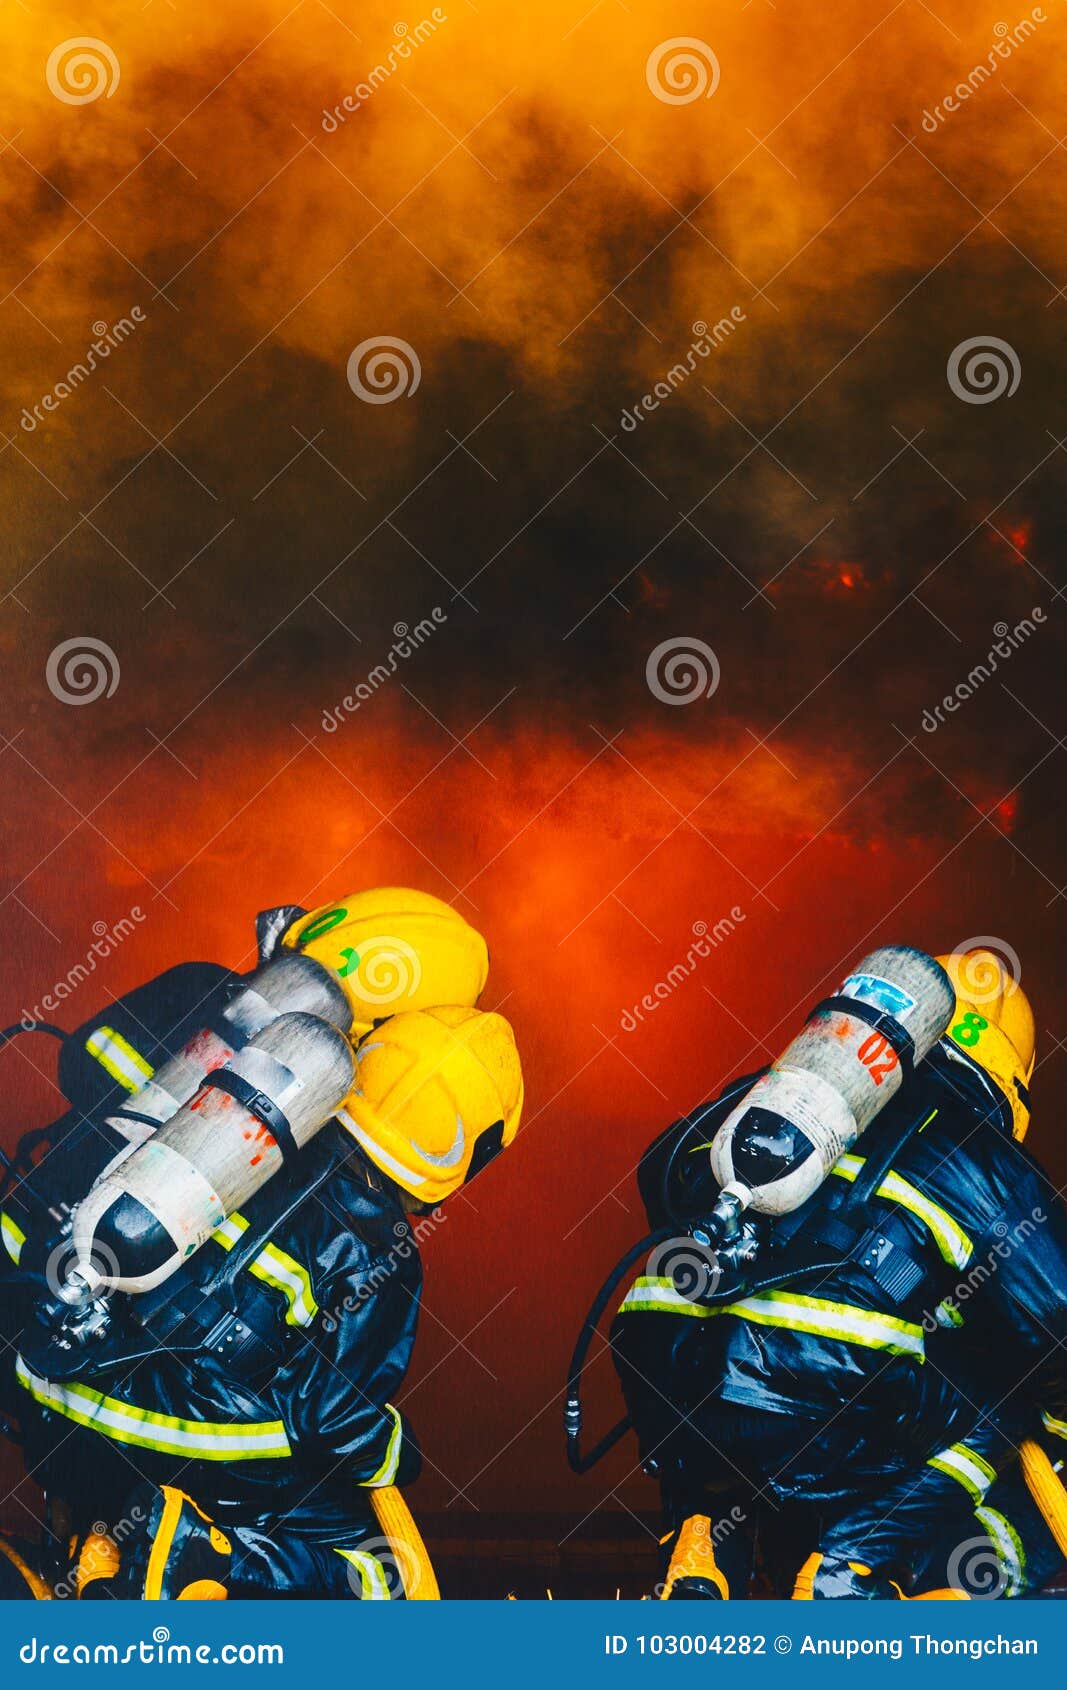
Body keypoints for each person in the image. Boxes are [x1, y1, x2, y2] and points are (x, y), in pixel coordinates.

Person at [0, 889, 523, 1600]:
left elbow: (83, 1066)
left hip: (38, 1356)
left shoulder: (252, 1132)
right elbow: (329, 1414)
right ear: (464, 1153)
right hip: (167, 1436)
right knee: (373, 1566)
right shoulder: (378, 1246)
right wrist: (392, 1450)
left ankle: (85, 1556)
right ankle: (198, 1559)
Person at [608, 950, 1067, 1599]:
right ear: (1007, 1087)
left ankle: (703, 1544)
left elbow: (661, 1167)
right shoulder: (974, 1144)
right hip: (818, 1358)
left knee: (753, 1401)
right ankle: (843, 1572)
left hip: (661, 1335)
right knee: (1003, 1403)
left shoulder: (777, 1094)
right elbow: (1057, 1315)